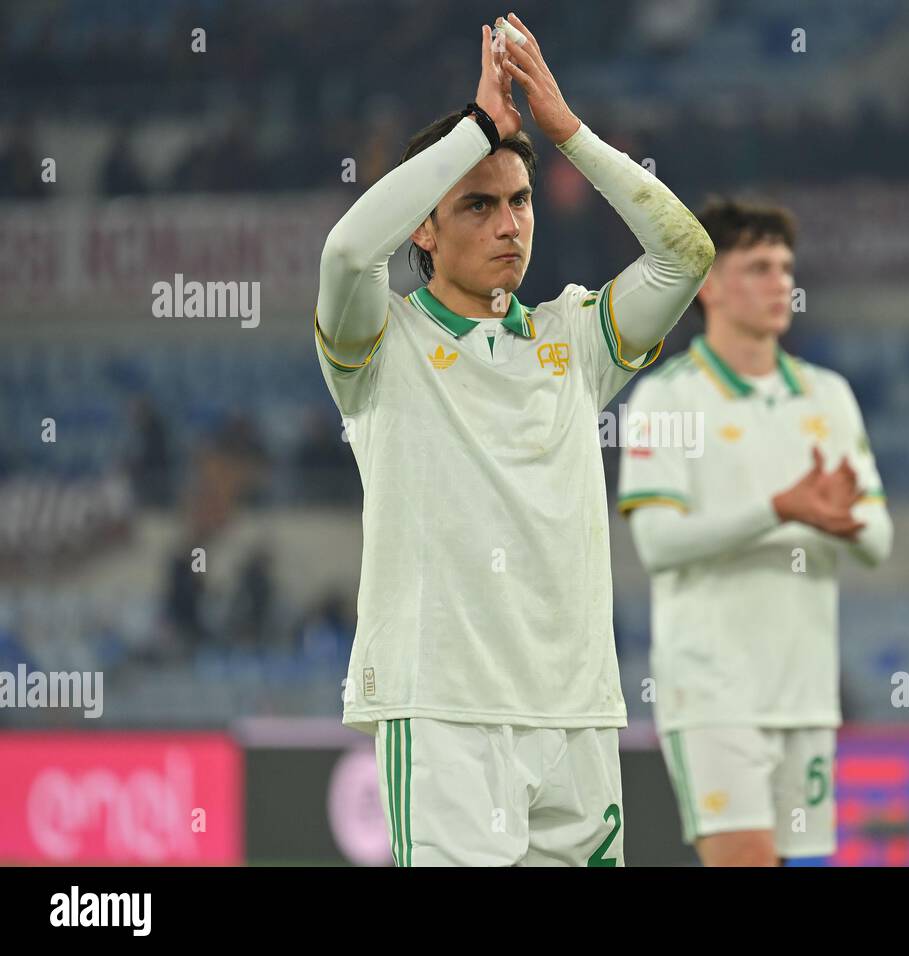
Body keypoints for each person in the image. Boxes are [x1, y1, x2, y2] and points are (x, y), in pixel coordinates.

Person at [314, 15, 714, 866]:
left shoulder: (575, 341)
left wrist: (564, 131)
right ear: (424, 229)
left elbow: (685, 256)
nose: (509, 224)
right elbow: (348, 252)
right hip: (445, 710)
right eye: (478, 204)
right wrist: (479, 130)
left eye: (520, 201)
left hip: (576, 714)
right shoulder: (382, 347)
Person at [617, 197, 893, 865]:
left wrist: (839, 518)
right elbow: (657, 544)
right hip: (712, 687)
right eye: (760, 267)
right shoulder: (668, 397)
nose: (780, 285)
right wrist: (781, 509)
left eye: (786, 268)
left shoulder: (828, 396)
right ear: (708, 283)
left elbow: (879, 543)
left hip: (805, 691)